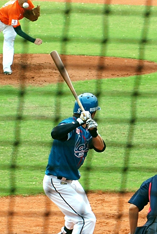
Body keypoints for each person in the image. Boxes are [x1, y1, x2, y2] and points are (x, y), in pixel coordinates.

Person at [43, 93, 106, 234]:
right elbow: (55, 133)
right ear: (93, 112)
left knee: (77, 215)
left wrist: (94, 133)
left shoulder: (87, 129)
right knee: (86, 219)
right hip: (56, 181)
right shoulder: (69, 125)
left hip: (71, 181)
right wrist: (78, 122)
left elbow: (100, 147)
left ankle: (65, 232)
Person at [0, 0, 43, 75]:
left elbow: (31, 14)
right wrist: (33, 40)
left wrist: (33, 18)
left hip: (10, 23)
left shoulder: (28, 3)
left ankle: (7, 67)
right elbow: (18, 31)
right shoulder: (13, 8)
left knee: (9, 40)